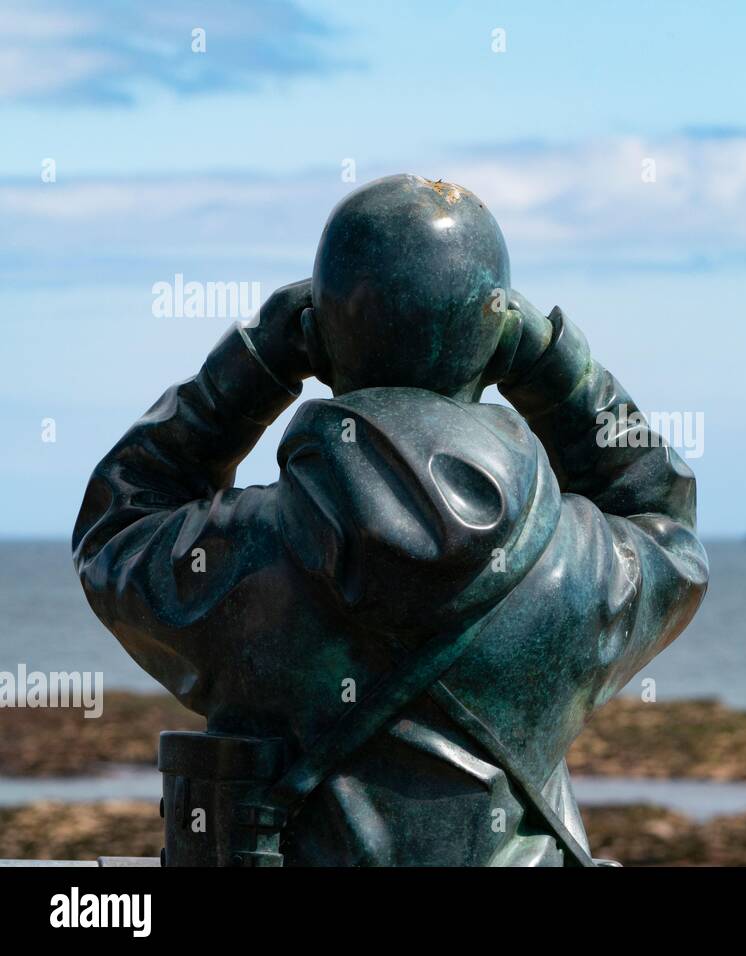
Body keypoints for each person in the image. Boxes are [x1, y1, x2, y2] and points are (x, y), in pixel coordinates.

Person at [72, 174, 708, 865]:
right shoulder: (578, 568)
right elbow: (664, 518)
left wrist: (253, 363)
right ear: (495, 339)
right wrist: (556, 367)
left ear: (318, 335)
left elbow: (117, 523)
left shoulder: (243, 555)